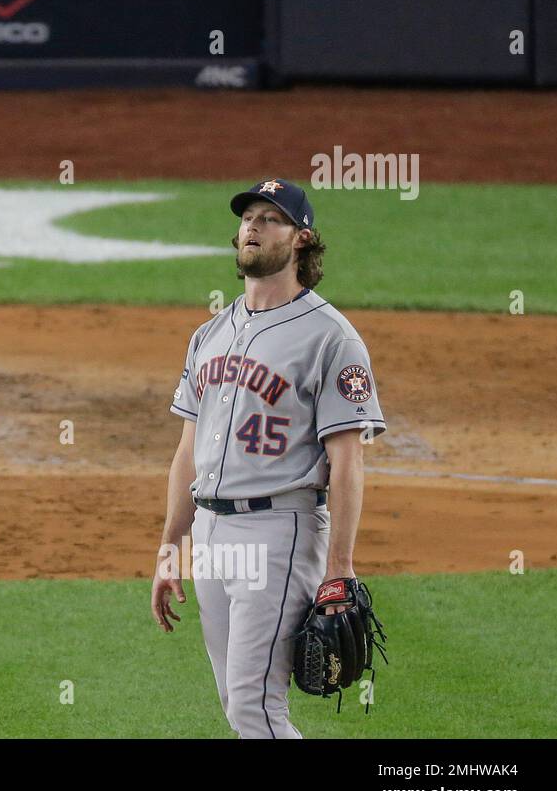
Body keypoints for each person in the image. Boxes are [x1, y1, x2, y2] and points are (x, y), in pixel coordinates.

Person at [150, 179, 387, 738]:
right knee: (239, 702)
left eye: (270, 219)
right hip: (208, 529)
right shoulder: (210, 332)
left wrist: (340, 568)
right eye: (248, 217)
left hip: (279, 529)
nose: (252, 227)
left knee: (256, 710)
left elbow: (348, 462)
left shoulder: (332, 338)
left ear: (302, 239)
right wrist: (170, 544)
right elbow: (188, 450)